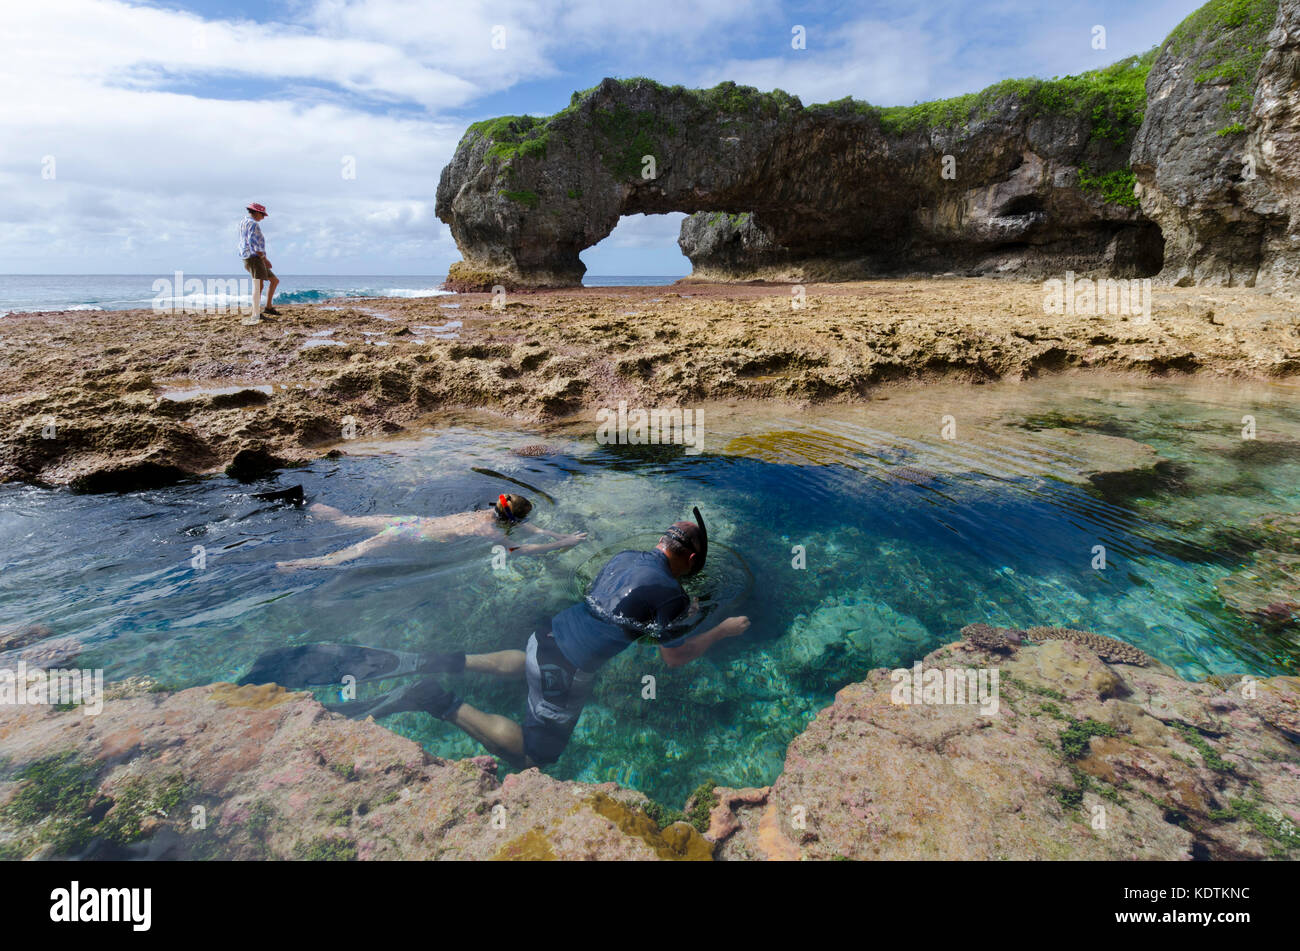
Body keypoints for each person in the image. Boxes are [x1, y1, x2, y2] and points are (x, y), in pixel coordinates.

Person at [246, 508, 750, 770]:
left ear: (662, 542)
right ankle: (437, 700)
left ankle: (437, 660)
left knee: (532, 663)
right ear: (687, 560)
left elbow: (625, 602)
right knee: (534, 756)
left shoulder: (623, 559)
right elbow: (675, 659)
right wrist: (720, 630)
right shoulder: (671, 592)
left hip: (544, 637)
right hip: (566, 671)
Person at [275, 493, 586, 569]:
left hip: (409, 522)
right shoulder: (489, 532)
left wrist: (554, 533)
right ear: (510, 520)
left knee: (343, 521)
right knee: (349, 555)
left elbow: (526, 526)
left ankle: (304, 502)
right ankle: (295, 565)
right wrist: (565, 544)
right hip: (408, 535)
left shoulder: (484, 514)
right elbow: (521, 550)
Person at [238, 202, 279, 324]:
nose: (264, 217)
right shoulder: (253, 224)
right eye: (262, 214)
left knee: (274, 280)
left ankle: (268, 308)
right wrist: (264, 259)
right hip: (254, 258)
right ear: (256, 213)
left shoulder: (243, 222)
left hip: (250, 257)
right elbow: (254, 244)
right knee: (258, 285)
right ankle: (256, 314)